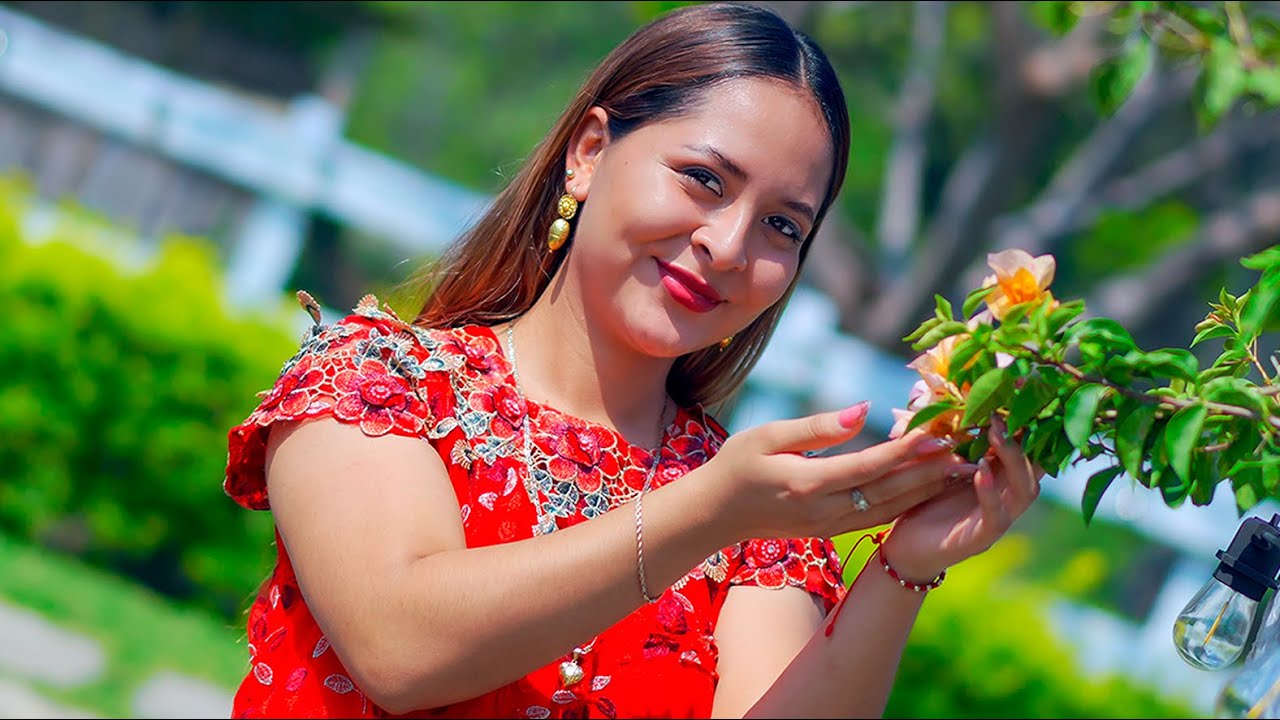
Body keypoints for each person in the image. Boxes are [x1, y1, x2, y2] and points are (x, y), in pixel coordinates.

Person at [222, 3, 1043, 718]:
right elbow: (400, 652)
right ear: (588, 151)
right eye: (703, 180)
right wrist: (709, 512)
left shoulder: (759, 519)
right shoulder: (377, 383)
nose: (727, 245)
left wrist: (904, 567)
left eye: (782, 228)